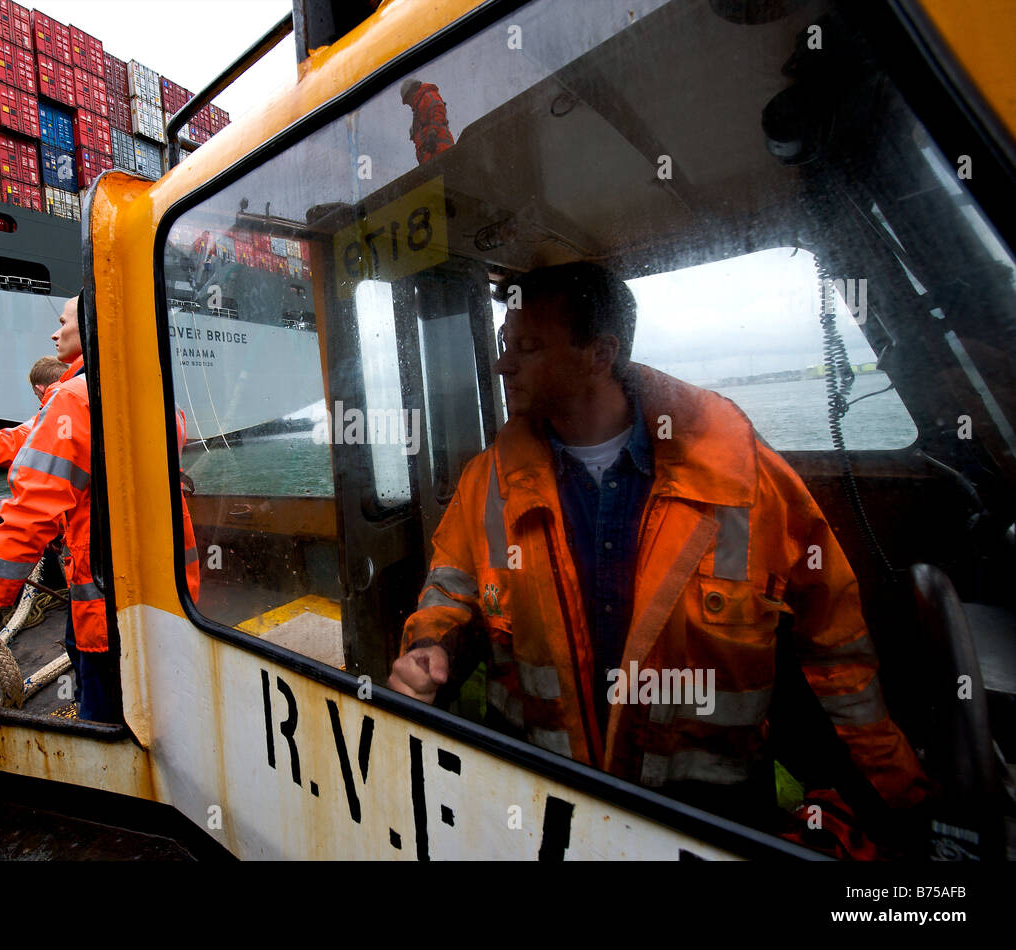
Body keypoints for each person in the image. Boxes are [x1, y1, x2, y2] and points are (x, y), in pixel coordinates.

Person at [386, 261, 930, 840]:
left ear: (599, 354)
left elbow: (835, 652)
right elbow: (451, 585)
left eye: (528, 347)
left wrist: (889, 813)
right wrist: (429, 643)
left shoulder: (743, 479)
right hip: (543, 813)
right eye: (503, 343)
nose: (503, 363)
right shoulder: (487, 481)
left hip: (711, 827)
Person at [0, 296, 201, 722]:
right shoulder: (156, 392)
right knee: (154, 692)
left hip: (106, 600)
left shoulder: (75, 399)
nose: (56, 333)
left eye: (64, 322)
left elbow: (34, 505)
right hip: (169, 593)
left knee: (107, 711)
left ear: (91, 327)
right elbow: (23, 440)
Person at [401, 79, 454, 164]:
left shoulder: (427, 96)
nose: (409, 104)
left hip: (443, 152)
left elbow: (438, 110)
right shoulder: (417, 111)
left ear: (412, 91)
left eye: (407, 100)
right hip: (431, 161)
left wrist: (433, 132)